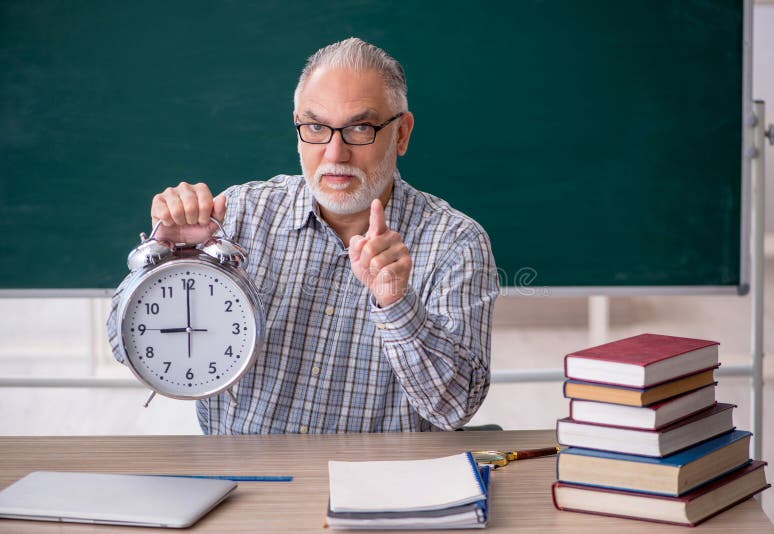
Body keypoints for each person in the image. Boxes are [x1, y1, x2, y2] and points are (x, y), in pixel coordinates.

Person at [107, 37, 499, 434]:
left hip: (377, 486)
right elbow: (125, 347)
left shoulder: (455, 242)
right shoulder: (240, 214)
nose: (334, 154)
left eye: (360, 128)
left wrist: (396, 304)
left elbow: (455, 408)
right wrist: (169, 261)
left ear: (401, 134)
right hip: (243, 477)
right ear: (298, 127)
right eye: (316, 127)